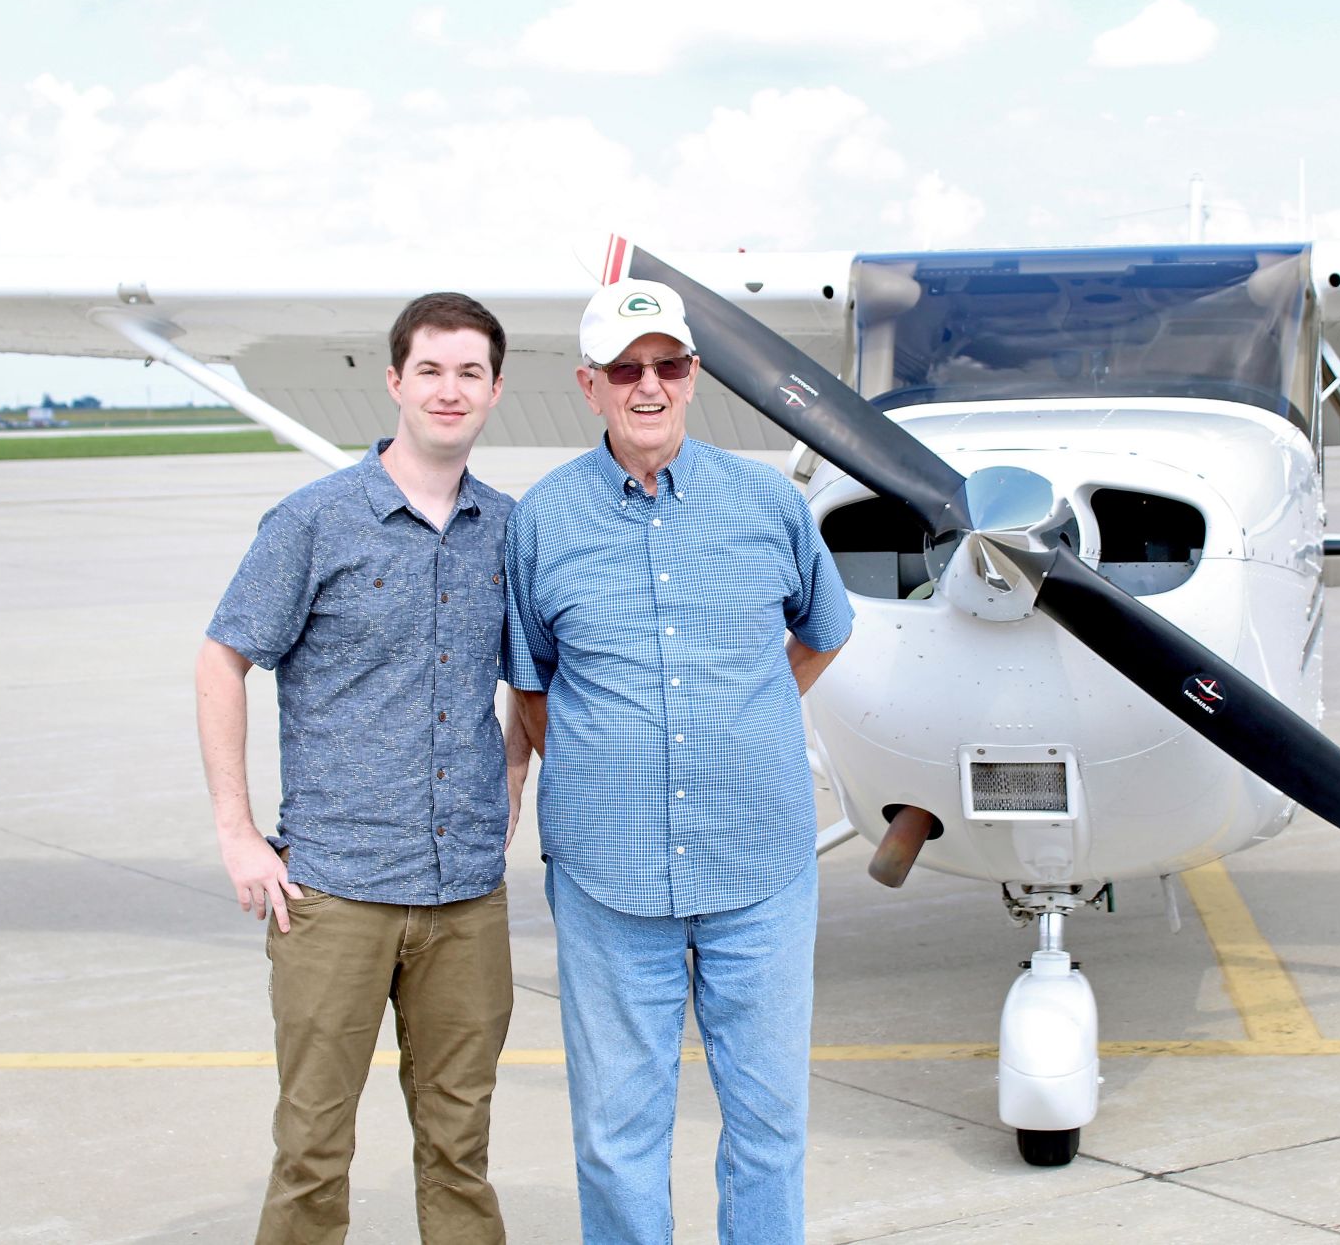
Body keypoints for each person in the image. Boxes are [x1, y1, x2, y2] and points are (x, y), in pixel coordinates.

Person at [503, 278, 853, 1244]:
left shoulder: (766, 503)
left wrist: (747, 709)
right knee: (617, 1137)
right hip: (608, 879)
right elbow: (532, 686)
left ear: (694, 374)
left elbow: (824, 629)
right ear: (590, 385)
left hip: (762, 868)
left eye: (667, 364)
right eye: (625, 368)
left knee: (769, 1127)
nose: (646, 385)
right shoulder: (543, 521)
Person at [196, 292, 518, 1245]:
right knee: (311, 1150)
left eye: (470, 372)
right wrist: (237, 830)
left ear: (495, 390)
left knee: (461, 1148)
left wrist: (510, 782)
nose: (449, 389)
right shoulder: (315, 520)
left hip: (466, 899)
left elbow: (531, 680)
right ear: (394, 381)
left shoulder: (508, 530)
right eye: (431, 369)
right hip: (334, 894)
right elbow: (223, 658)